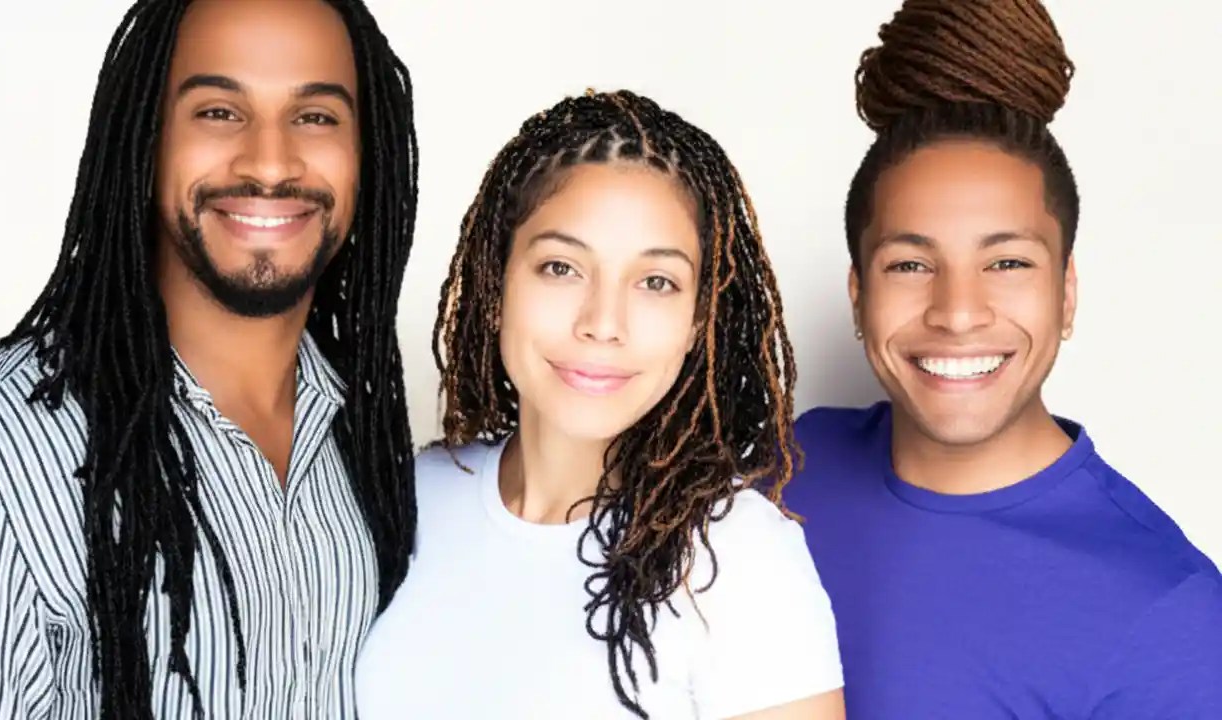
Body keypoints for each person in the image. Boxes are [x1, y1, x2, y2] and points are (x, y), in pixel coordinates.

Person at [0, 0, 418, 717]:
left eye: (316, 116)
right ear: (147, 138)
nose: (270, 162)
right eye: (219, 111)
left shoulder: (369, 442)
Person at [781, 1, 1222, 718]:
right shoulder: (780, 474)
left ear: (1066, 292)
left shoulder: (1168, 611)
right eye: (910, 265)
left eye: (1008, 262)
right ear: (857, 297)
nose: (958, 312)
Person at [354, 89, 845, 719]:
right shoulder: (415, 496)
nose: (603, 322)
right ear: (497, 282)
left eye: (656, 282)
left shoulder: (738, 554)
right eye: (561, 268)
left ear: (698, 323)